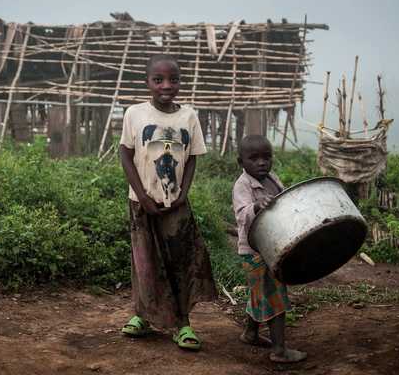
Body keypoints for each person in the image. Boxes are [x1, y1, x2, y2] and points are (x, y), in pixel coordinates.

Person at [119, 54, 217, 351]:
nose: (166, 85)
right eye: (158, 79)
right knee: (144, 263)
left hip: (175, 206)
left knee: (179, 261)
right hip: (142, 204)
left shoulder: (187, 116)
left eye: (173, 79)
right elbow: (125, 154)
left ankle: (183, 323)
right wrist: (143, 195)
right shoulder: (135, 114)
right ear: (147, 82)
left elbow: (192, 159)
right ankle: (142, 316)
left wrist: (183, 194)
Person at [232, 135, 307, 363]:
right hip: (256, 251)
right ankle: (279, 351)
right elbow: (242, 214)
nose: (262, 162)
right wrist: (255, 206)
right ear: (241, 162)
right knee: (275, 296)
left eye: (266, 157)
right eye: (254, 158)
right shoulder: (242, 185)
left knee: (259, 292)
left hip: (274, 246)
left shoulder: (272, 179)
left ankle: (251, 333)